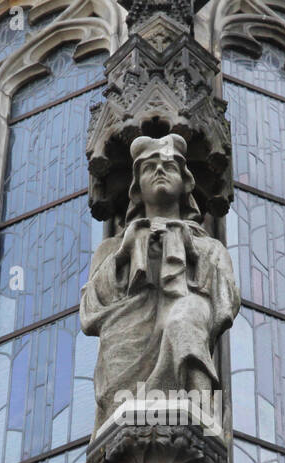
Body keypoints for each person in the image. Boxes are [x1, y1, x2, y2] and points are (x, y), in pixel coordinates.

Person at [80, 133, 240, 429]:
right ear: (137, 187)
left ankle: (198, 417)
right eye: (149, 167)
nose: (159, 171)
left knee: (185, 320)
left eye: (169, 165)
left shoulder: (209, 246)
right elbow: (91, 310)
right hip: (128, 326)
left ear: (185, 182)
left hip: (187, 311)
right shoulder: (112, 248)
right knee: (119, 347)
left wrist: (191, 254)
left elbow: (226, 300)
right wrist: (124, 256)